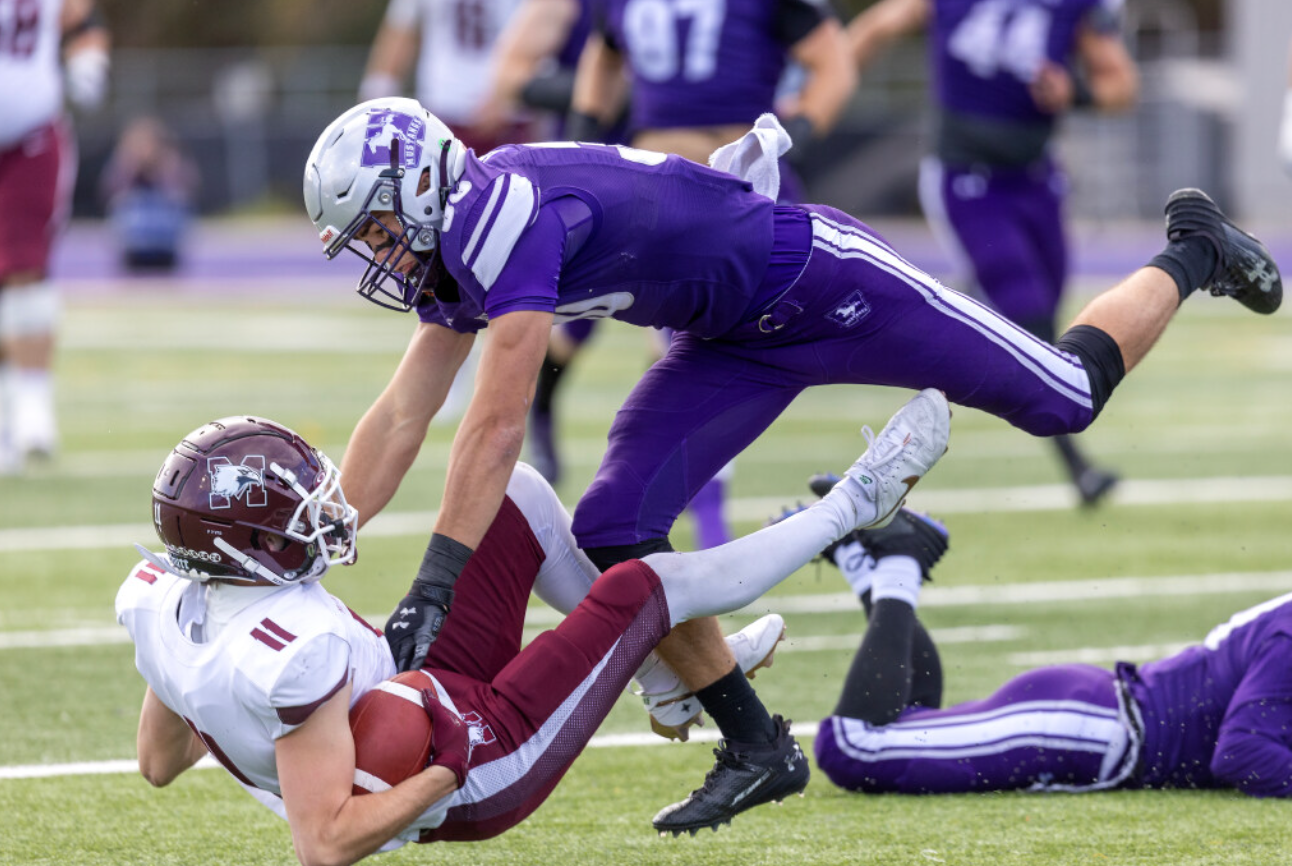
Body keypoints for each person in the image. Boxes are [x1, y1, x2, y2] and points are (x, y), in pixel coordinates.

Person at [301, 95, 1280, 832]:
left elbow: (494, 424)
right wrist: (320, 544)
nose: (379, 256)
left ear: (421, 182)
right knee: (611, 528)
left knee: (1063, 395)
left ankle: (1192, 250)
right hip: (725, 339)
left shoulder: (498, 215)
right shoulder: (461, 244)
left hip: (818, 280)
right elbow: (400, 416)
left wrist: (437, 579)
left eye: (379, 229)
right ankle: (757, 742)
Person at [118, 392, 950, 861]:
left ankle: (665, 682)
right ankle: (856, 504)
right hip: (470, 759)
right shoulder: (295, 655)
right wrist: (440, 773)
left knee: (509, 493)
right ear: (242, 550)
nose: (321, 520)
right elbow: (325, 843)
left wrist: (232, 716)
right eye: (290, 522)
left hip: (407, 685)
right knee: (640, 587)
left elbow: (160, 762)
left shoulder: (164, 598)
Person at [848, 0, 1140, 506]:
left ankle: (958, 312)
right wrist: (818, 89)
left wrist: (1077, 92)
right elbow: (879, 25)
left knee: (1047, 317)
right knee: (1031, 317)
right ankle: (1078, 467)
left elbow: (1121, 84)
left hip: (1037, 179)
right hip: (967, 177)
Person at [807, 494, 1292, 798]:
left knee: (909, 715)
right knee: (854, 748)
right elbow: (1242, 752)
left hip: (1093, 713)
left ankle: (858, 558)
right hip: (1091, 727)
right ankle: (900, 563)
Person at [0, 0, 109, 473]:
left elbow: (83, 20)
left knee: (26, 267)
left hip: (31, 133)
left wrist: (89, 59)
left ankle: (32, 413)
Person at [359, 0, 532, 154]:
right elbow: (401, 31)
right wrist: (377, 102)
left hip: (511, 112)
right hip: (442, 111)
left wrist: (507, 95)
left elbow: (545, 30)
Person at [98, 115, 199, 270]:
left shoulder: (170, 165)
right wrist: (128, 167)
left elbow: (188, 191)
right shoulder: (126, 168)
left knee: (172, 205)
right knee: (127, 206)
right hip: (134, 245)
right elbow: (109, 192)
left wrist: (167, 169)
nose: (144, 150)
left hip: (166, 243)